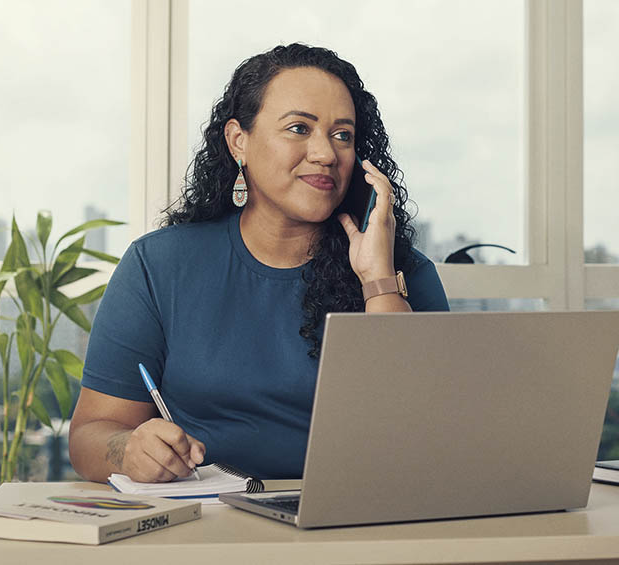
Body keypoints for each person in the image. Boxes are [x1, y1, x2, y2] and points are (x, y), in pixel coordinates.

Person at [69, 44, 449, 483]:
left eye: (342, 134)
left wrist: (377, 281)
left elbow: (425, 438)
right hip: (206, 526)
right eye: (299, 128)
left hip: (358, 525)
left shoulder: (404, 276)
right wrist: (129, 449)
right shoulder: (159, 265)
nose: (326, 152)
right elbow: (90, 437)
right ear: (238, 141)